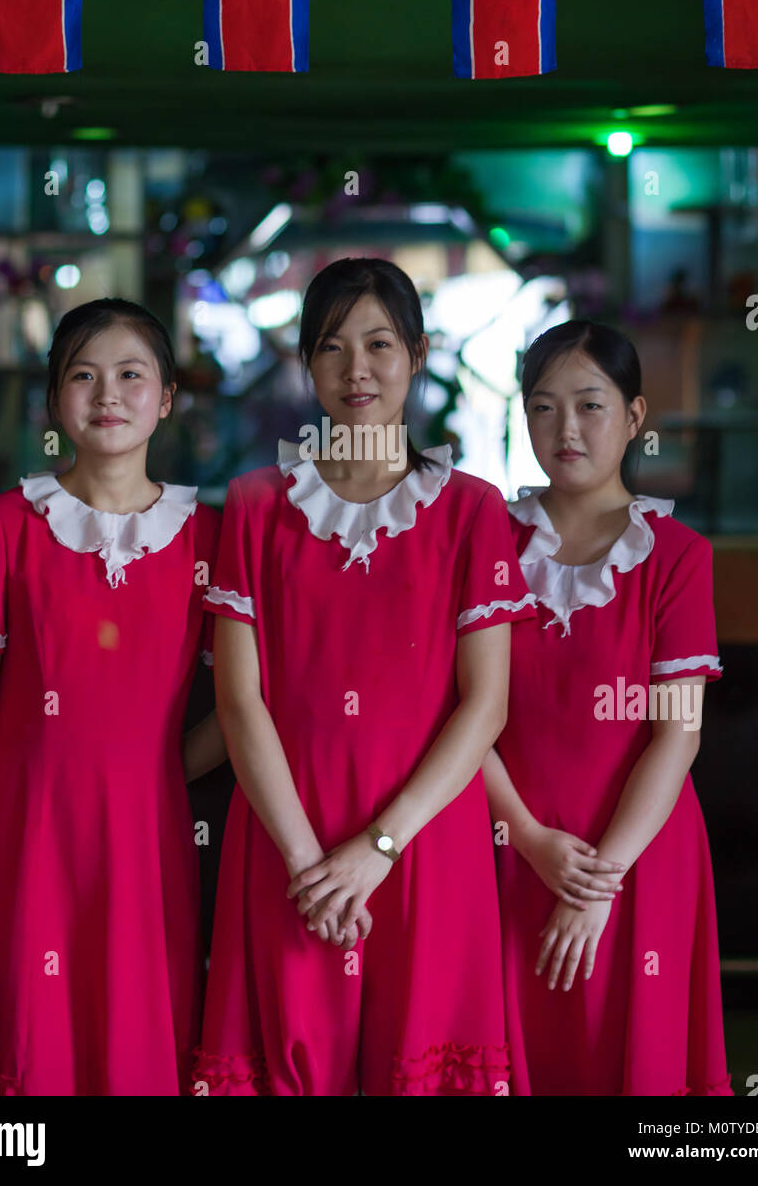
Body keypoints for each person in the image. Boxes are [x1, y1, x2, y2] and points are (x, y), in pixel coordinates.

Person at [192, 258, 537, 1096]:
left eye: (379, 343)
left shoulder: (471, 510)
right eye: (331, 348)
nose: (357, 370)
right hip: (286, 836)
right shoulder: (254, 505)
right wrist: (315, 864)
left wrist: (378, 849)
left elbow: (484, 705)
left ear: (418, 354)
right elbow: (240, 701)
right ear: (304, 365)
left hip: (426, 837)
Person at [0, 298, 225, 1095]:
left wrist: (158, 768)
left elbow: (245, 704)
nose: (108, 394)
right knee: (28, 1048)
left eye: (132, 375)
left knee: (134, 1040)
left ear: (166, 397)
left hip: (147, 839)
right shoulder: (4, 526)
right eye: (83, 376)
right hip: (24, 838)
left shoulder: (206, 535)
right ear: (54, 400)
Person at [484, 319, 732, 1096]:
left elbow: (675, 739)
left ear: (633, 416)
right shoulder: (482, 539)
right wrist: (526, 838)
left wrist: (600, 884)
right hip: (507, 841)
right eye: (543, 407)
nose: (565, 428)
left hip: (633, 850)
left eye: (590, 405)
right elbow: (460, 714)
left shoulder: (677, 556)